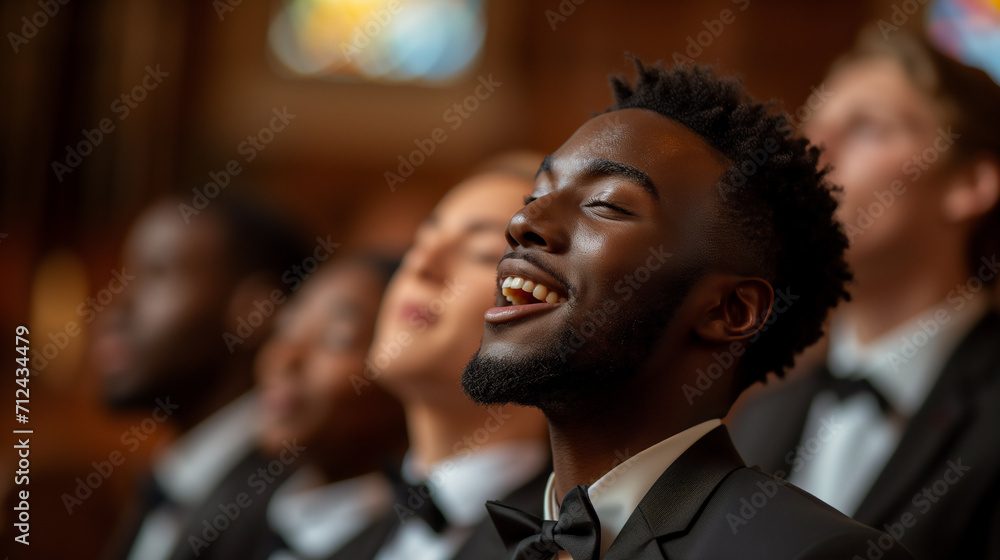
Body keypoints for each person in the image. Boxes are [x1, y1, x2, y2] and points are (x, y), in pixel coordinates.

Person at [461, 59, 915, 560]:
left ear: (730, 310)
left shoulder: (815, 553)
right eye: (537, 192)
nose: (524, 220)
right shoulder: (481, 544)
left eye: (607, 204)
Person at [729, 27, 1000, 560]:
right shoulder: (756, 419)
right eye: (813, 124)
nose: (812, 150)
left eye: (867, 127)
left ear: (971, 184)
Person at [334, 156, 552, 560]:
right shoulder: (350, 543)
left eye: (482, 252)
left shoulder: (570, 545)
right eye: (419, 242)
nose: (420, 264)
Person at [96, 197, 309, 560]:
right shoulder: (171, 483)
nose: (117, 307)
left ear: (254, 312)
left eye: (158, 274)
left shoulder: (283, 504)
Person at [253, 256, 408, 559]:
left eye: (338, 338)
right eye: (286, 327)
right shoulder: (245, 512)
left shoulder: (405, 543)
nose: (285, 357)